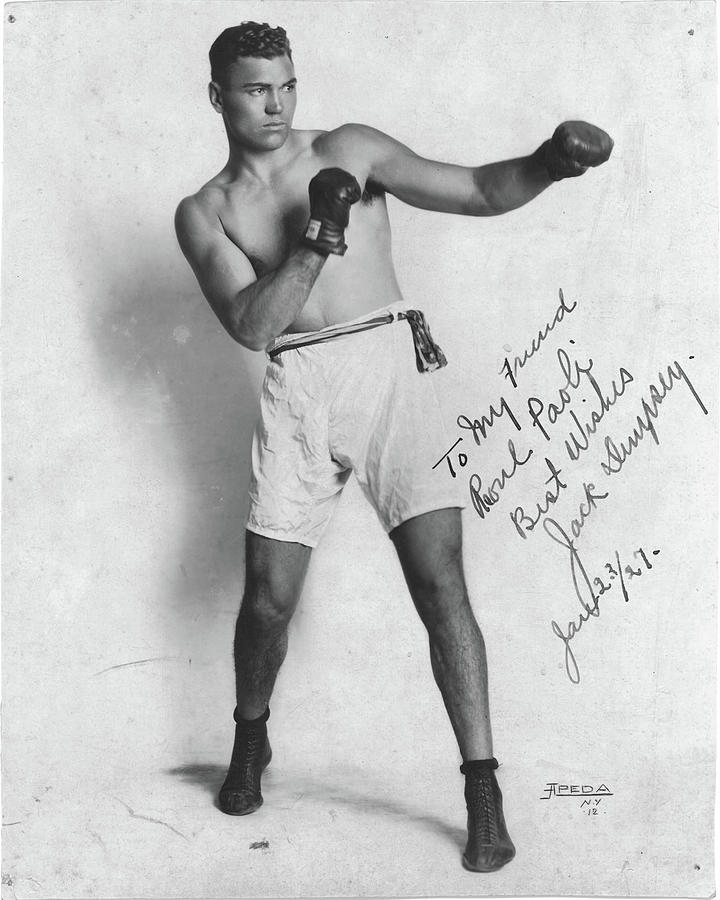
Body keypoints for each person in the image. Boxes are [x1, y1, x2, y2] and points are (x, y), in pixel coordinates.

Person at [175, 21, 613, 872]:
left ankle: (484, 793)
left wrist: (551, 161)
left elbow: (483, 189)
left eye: (286, 84)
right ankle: (250, 740)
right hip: (300, 383)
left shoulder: (351, 147)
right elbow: (254, 326)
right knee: (267, 597)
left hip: (392, 365)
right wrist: (317, 237)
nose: (277, 103)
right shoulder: (206, 212)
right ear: (218, 96)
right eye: (256, 88)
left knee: (440, 579)